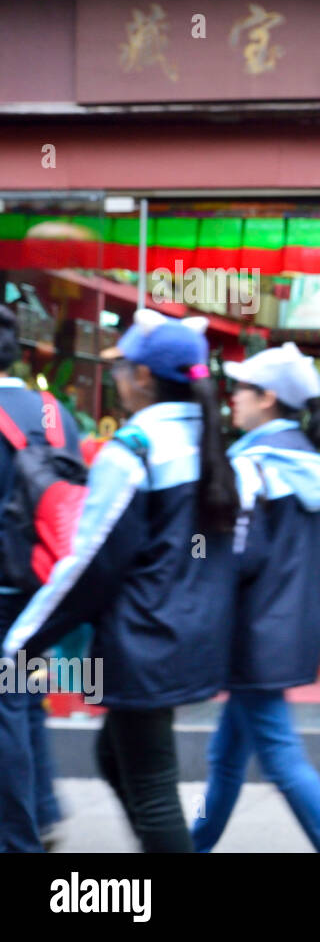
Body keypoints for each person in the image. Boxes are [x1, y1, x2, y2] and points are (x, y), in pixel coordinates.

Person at [3, 310, 240, 852]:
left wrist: (21, 641)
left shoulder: (133, 451)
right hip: (185, 635)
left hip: (144, 642)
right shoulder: (208, 444)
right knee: (117, 758)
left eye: (123, 367)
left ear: (143, 378)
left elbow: (91, 563)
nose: (115, 377)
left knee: (152, 789)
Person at [191, 343, 320, 853]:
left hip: (253, 631)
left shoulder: (254, 467)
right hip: (280, 627)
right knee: (228, 755)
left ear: (269, 398)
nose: (232, 398)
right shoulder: (302, 461)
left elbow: (237, 557)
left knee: (279, 755)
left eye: (242, 389)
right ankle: (195, 844)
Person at [0, 303, 81, 853]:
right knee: (23, 696)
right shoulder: (55, 412)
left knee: (6, 704)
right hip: (45, 584)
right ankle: (44, 810)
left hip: (3, 586)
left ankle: (16, 839)